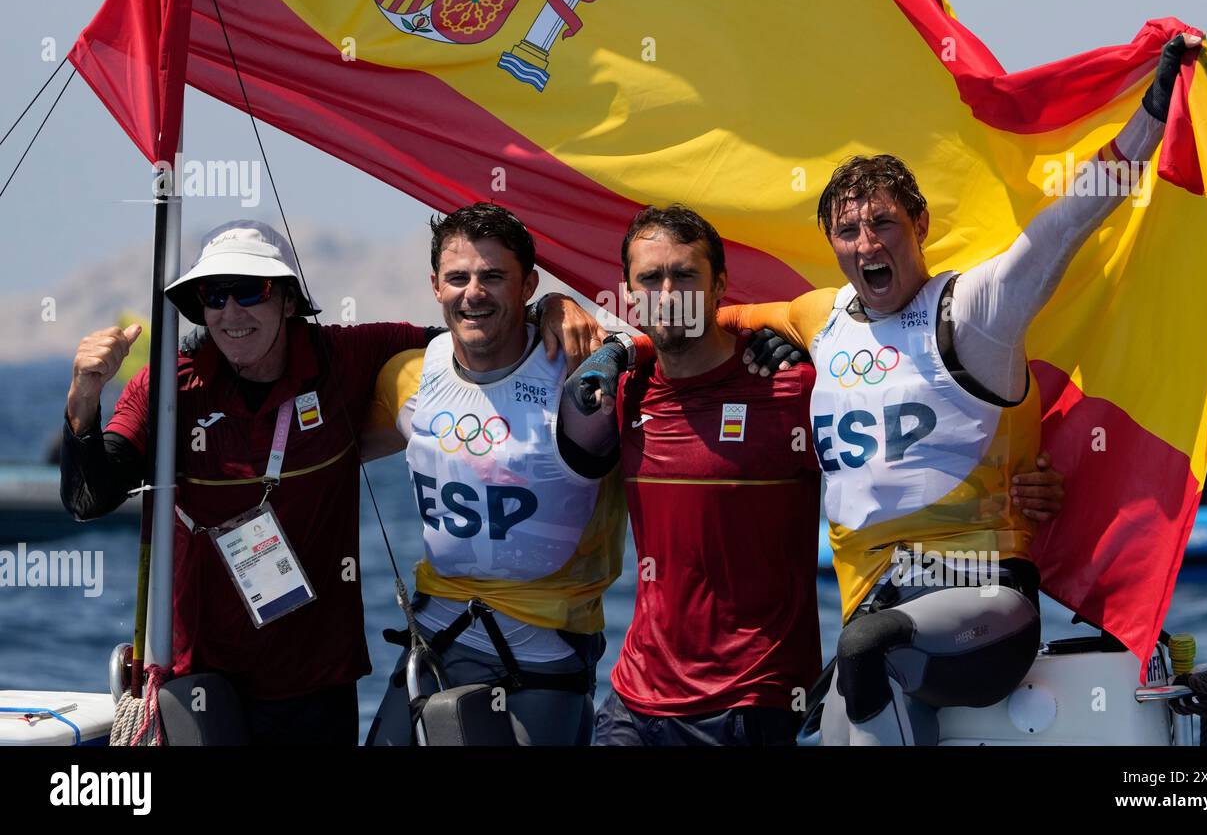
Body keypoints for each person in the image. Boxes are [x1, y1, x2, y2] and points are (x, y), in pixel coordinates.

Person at [716, 34, 1201, 744]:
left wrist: (1150, 116)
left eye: (884, 222)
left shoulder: (975, 310)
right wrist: (581, 329)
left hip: (986, 610)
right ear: (831, 243)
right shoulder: (818, 316)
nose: (867, 242)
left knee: (862, 650)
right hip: (880, 616)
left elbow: (1067, 223)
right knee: (829, 722)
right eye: (848, 230)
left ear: (921, 225)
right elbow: (717, 320)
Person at [60, 218, 591, 745]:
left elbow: (478, 331)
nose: (230, 312)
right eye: (213, 296)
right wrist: (85, 397)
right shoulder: (170, 387)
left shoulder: (346, 358)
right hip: (202, 679)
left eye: (250, 291)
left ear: (288, 300)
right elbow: (89, 498)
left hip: (317, 686)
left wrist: (551, 307)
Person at [564, 206, 1067, 745]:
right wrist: (589, 327)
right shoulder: (622, 391)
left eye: (685, 274)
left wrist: (1021, 479)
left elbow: (923, 433)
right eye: (650, 278)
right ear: (629, 290)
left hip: (753, 702)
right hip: (632, 702)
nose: (669, 292)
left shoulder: (796, 388)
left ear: (720, 286)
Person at [362, 203, 624, 746]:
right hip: (435, 643)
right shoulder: (407, 375)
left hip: (546, 659)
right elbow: (315, 449)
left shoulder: (586, 375)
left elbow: (674, 343)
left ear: (528, 283)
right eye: (457, 277)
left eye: (493, 277)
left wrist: (570, 308)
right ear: (435, 285)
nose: (473, 292)